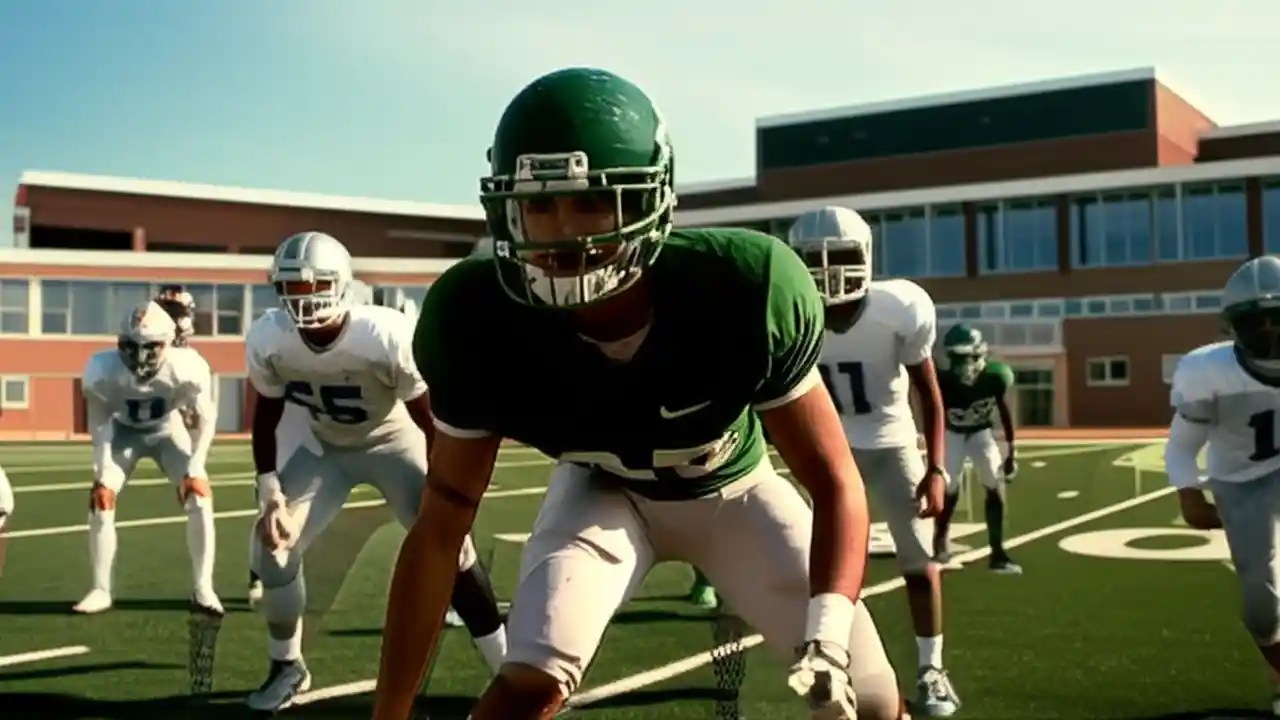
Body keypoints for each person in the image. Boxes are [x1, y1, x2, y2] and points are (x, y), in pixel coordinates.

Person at [371, 67, 905, 720]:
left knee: (873, 703)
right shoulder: (474, 317)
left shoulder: (747, 286)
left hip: (733, 492)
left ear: (654, 199)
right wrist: (390, 713)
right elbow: (441, 524)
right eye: (539, 206)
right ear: (506, 209)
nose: (564, 233)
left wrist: (825, 628)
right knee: (530, 682)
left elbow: (833, 481)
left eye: (592, 200)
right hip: (602, 492)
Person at [243, 231, 507, 712]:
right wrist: (270, 486)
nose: (303, 300)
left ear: (342, 284)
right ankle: (287, 666)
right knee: (272, 550)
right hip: (322, 447)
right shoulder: (269, 336)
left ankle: (506, 666)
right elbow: (267, 412)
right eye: (293, 288)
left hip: (392, 439)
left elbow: (429, 418)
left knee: (451, 545)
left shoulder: (383, 333)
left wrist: (446, 487)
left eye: (314, 286)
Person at [786, 205, 957, 716]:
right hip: (829, 451)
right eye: (813, 260)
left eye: (838, 256)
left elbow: (930, 393)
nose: (828, 271)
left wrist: (936, 467)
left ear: (864, 256)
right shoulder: (794, 311)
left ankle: (931, 670)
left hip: (891, 445)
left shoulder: (897, 307)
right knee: (816, 567)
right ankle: (831, 664)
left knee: (920, 564)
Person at [1164, 254, 1280, 717]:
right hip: (1243, 479)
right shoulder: (1207, 371)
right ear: (1234, 326)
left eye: (1279, 319)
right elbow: (1180, 447)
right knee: (1261, 606)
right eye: (1257, 321)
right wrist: (1188, 493)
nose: (1269, 331)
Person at [74, 301, 221, 616]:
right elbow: (99, 421)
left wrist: (195, 467)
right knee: (101, 498)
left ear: (169, 342)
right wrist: (101, 470)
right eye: (131, 346)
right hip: (123, 432)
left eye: (150, 347)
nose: (140, 356)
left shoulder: (187, 366)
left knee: (199, 496)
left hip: (168, 430)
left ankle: (203, 587)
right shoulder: (101, 369)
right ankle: (101, 589)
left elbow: (207, 417)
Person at [933, 323, 1021, 574]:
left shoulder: (995, 377)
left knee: (994, 483)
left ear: (980, 352)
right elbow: (932, 410)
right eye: (956, 358)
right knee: (948, 487)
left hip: (981, 432)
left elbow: (1004, 410)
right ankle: (940, 540)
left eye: (966, 356)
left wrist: (1011, 451)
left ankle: (998, 551)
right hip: (952, 434)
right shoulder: (943, 380)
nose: (962, 364)